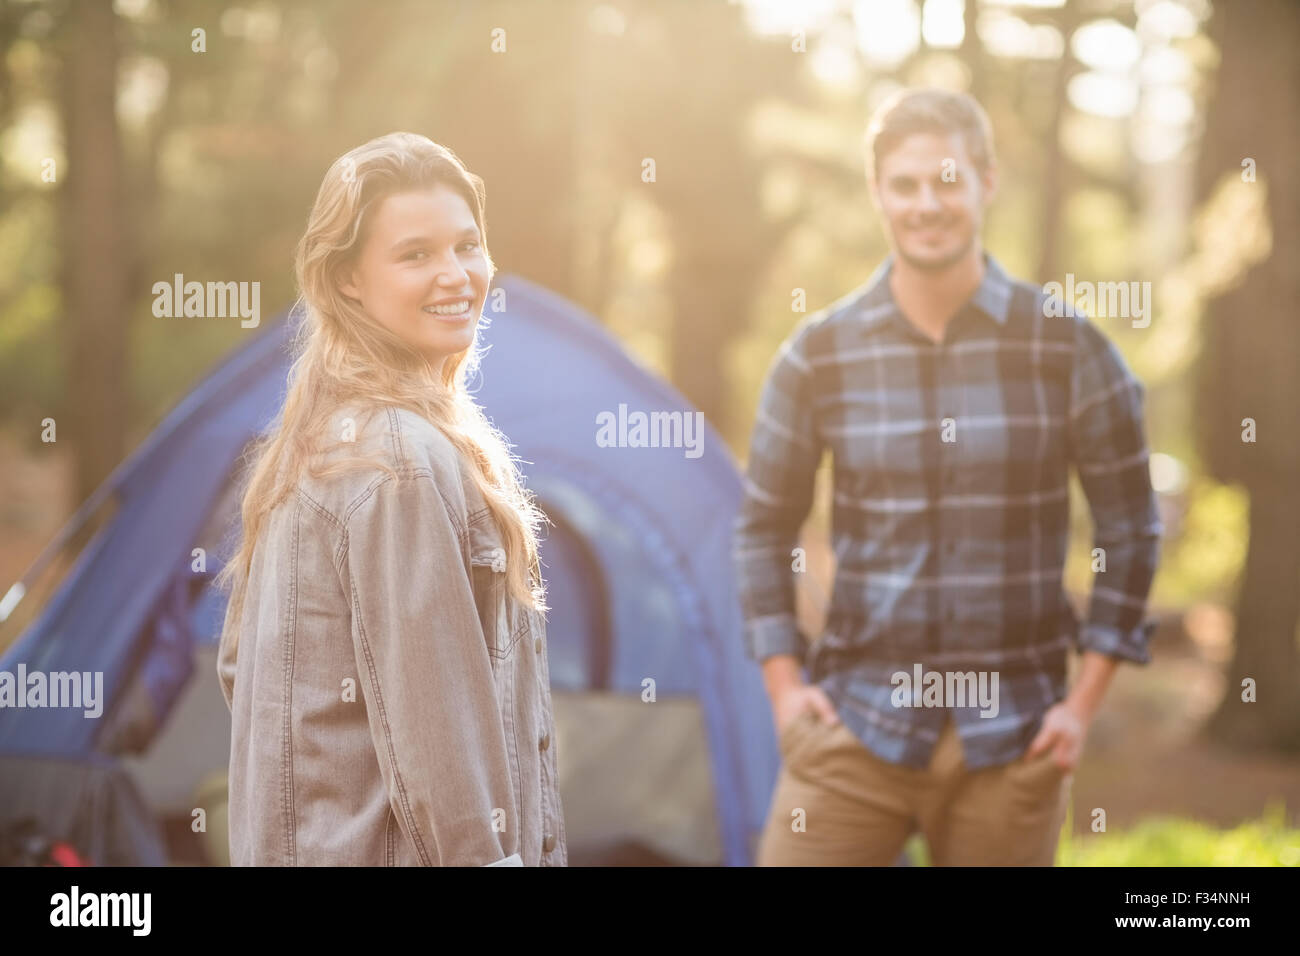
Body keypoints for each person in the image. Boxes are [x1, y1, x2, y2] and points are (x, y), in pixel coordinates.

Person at [734, 88, 1162, 866]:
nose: (926, 204)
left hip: (1014, 742)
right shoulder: (817, 356)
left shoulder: (1069, 350)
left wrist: (1082, 705)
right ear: (877, 193)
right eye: (905, 184)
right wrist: (785, 693)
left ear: (987, 182)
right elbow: (764, 527)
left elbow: (1130, 528)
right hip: (852, 729)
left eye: (947, 180)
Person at [215, 132, 567, 866]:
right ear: (347, 278)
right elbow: (437, 732)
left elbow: (239, 672)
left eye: (467, 246)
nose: (455, 275)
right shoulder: (398, 459)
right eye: (415, 255)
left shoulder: (315, 441)